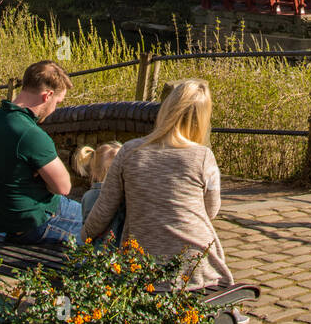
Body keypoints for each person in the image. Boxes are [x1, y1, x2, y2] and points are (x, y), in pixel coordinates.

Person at [80, 79, 233, 290]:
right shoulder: (204, 156)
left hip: (141, 264)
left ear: (167, 109)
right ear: (202, 120)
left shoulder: (129, 151)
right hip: (194, 264)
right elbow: (211, 210)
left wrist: (82, 239)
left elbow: (104, 209)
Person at [0, 59, 83, 245]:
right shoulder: (30, 134)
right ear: (47, 96)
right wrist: (42, 178)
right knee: (104, 221)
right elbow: (64, 187)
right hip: (38, 222)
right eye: (58, 102)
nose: (55, 109)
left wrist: (37, 176)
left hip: (8, 221)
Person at [74, 142, 123, 245]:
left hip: (94, 253)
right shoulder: (123, 197)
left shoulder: (88, 196)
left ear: (94, 171)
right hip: (119, 253)